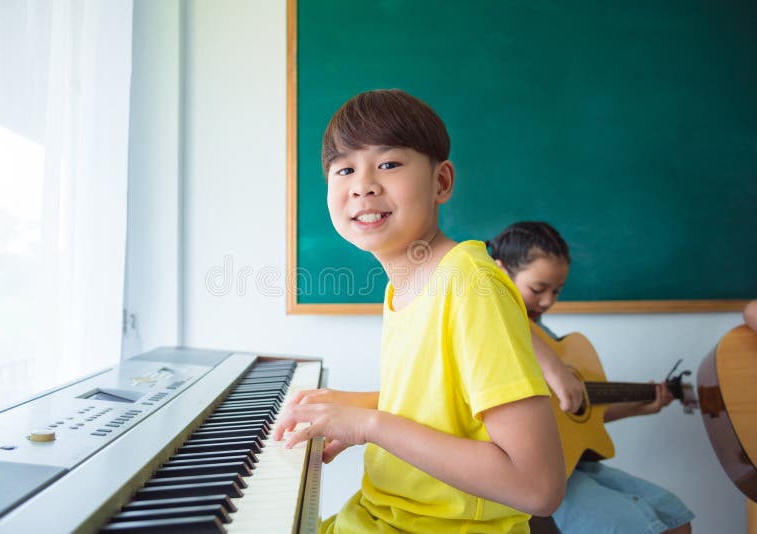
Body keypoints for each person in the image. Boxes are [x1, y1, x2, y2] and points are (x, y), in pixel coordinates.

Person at [273, 90, 566, 533]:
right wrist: (357, 406)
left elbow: (538, 486)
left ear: (442, 183)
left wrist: (370, 424)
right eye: (345, 168)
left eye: (388, 164)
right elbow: (452, 406)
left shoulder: (471, 285)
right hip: (378, 518)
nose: (363, 184)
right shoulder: (405, 285)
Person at [487, 221, 695, 534]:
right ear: (500, 273)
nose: (547, 301)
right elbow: (493, 312)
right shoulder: (490, 325)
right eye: (538, 289)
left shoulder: (556, 342)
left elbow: (575, 422)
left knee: (676, 521)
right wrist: (554, 370)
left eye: (556, 291)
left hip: (577, 466)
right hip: (541, 473)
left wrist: (641, 407)